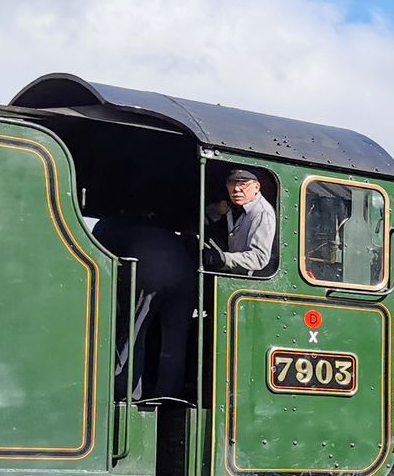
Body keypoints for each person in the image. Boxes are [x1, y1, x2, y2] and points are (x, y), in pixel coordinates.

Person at [89, 218, 197, 401]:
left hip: (148, 269)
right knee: (175, 338)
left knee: (134, 330)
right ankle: (169, 394)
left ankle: (127, 391)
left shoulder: (105, 231)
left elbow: (100, 263)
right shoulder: (157, 229)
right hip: (184, 272)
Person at [205, 167, 276, 274]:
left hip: (253, 281)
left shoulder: (262, 213)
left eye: (243, 184)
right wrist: (217, 210)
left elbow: (260, 257)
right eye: (232, 183)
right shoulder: (232, 205)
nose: (236, 189)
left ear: (256, 187)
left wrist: (224, 259)